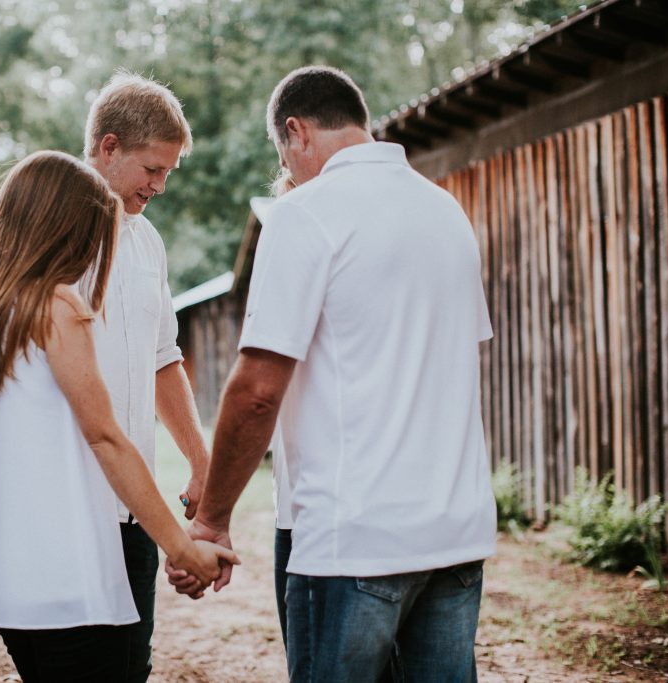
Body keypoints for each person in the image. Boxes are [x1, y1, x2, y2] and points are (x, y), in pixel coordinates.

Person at [171, 66, 497, 682]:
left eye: (283, 155)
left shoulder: (302, 214)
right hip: (454, 534)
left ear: (295, 132)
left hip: (355, 541)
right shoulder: (446, 212)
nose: (287, 173)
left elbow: (258, 391)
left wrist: (210, 520)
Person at [0, 151, 237, 683]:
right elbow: (107, 438)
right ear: (61, 229)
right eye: (91, 235)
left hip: (6, 570)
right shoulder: (57, 307)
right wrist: (183, 548)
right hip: (67, 571)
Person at [82, 70, 213, 683]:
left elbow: (165, 359)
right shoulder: (52, 234)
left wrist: (199, 459)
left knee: (131, 667)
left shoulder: (148, 242)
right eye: (151, 170)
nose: (159, 187)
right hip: (68, 503)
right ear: (109, 148)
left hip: (133, 508)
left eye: (168, 173)